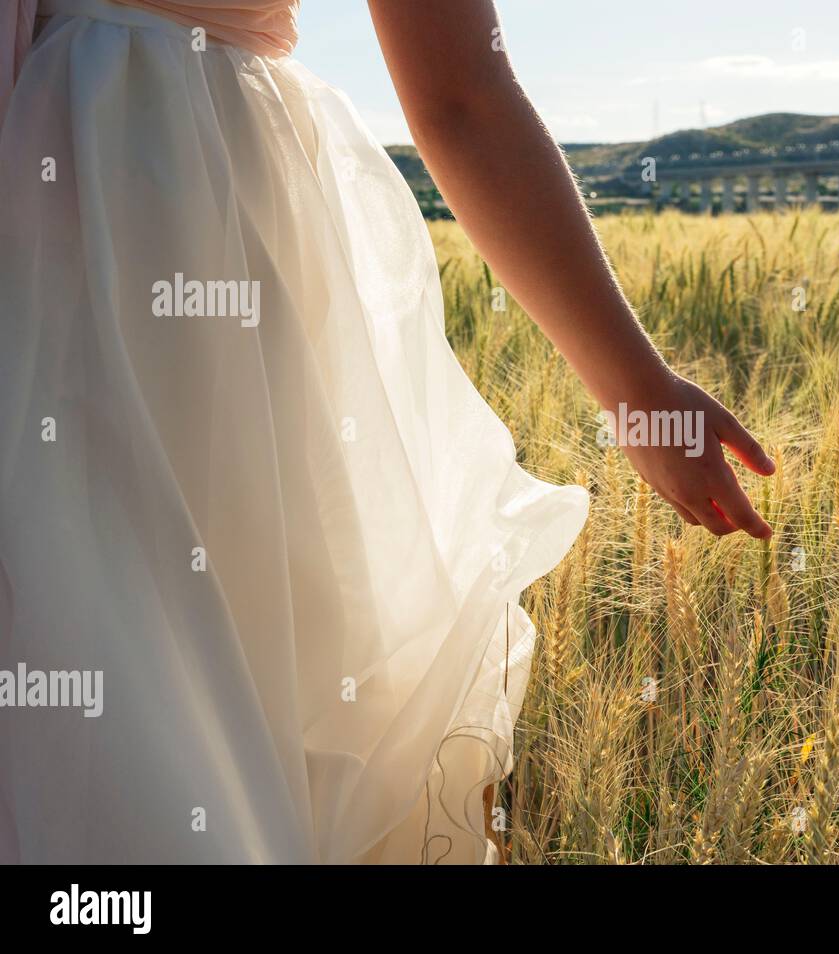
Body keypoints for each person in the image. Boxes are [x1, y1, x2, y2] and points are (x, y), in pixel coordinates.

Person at [0, 0, 772, 863]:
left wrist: (641, 390)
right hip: (180, 208)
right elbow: (462, 97)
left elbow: (463, 98)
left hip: (179, 233)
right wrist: (640, 390)